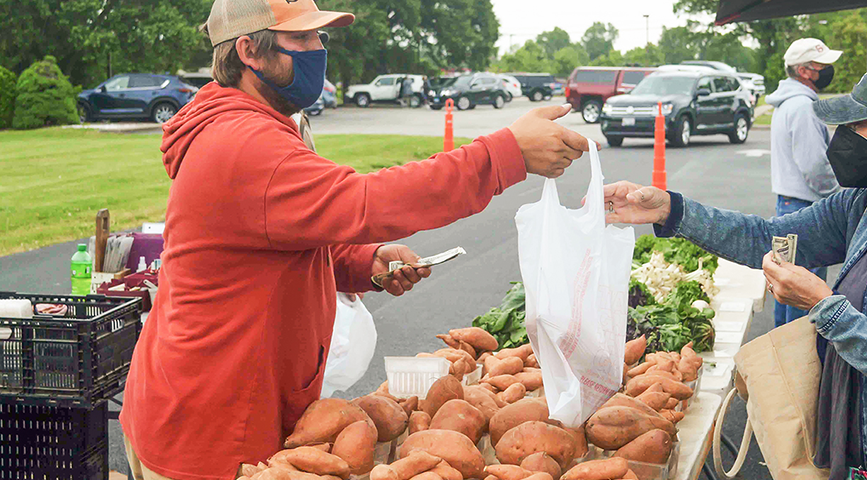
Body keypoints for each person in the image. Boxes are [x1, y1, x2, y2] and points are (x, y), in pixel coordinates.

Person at [118, 0, 592, 478]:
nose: (318, 49)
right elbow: (368, 201)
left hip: (200, 400)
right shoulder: (243, 141)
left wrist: (366, 261)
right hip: (210, 428)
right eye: (301, 38)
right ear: (249, 51)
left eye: (319, 37)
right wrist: (504, 153)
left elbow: (290, 233)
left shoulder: (250, 126)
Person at [602, 54, 867, 479]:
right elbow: (764, 237)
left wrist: (828, 310)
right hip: (851, 446)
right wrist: (670, 210)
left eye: (859, 126)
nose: (844, 136)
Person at [765, 38, 843, 327]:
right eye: (824, 66)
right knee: (803, 297)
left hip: (789, 205)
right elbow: (814, 166)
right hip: (807, 208)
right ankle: (799, 367)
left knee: (788, 291)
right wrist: (837, 197)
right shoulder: (803, 107)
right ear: (806, 71)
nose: (828, 70)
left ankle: (783, 364)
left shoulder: (788, 104)